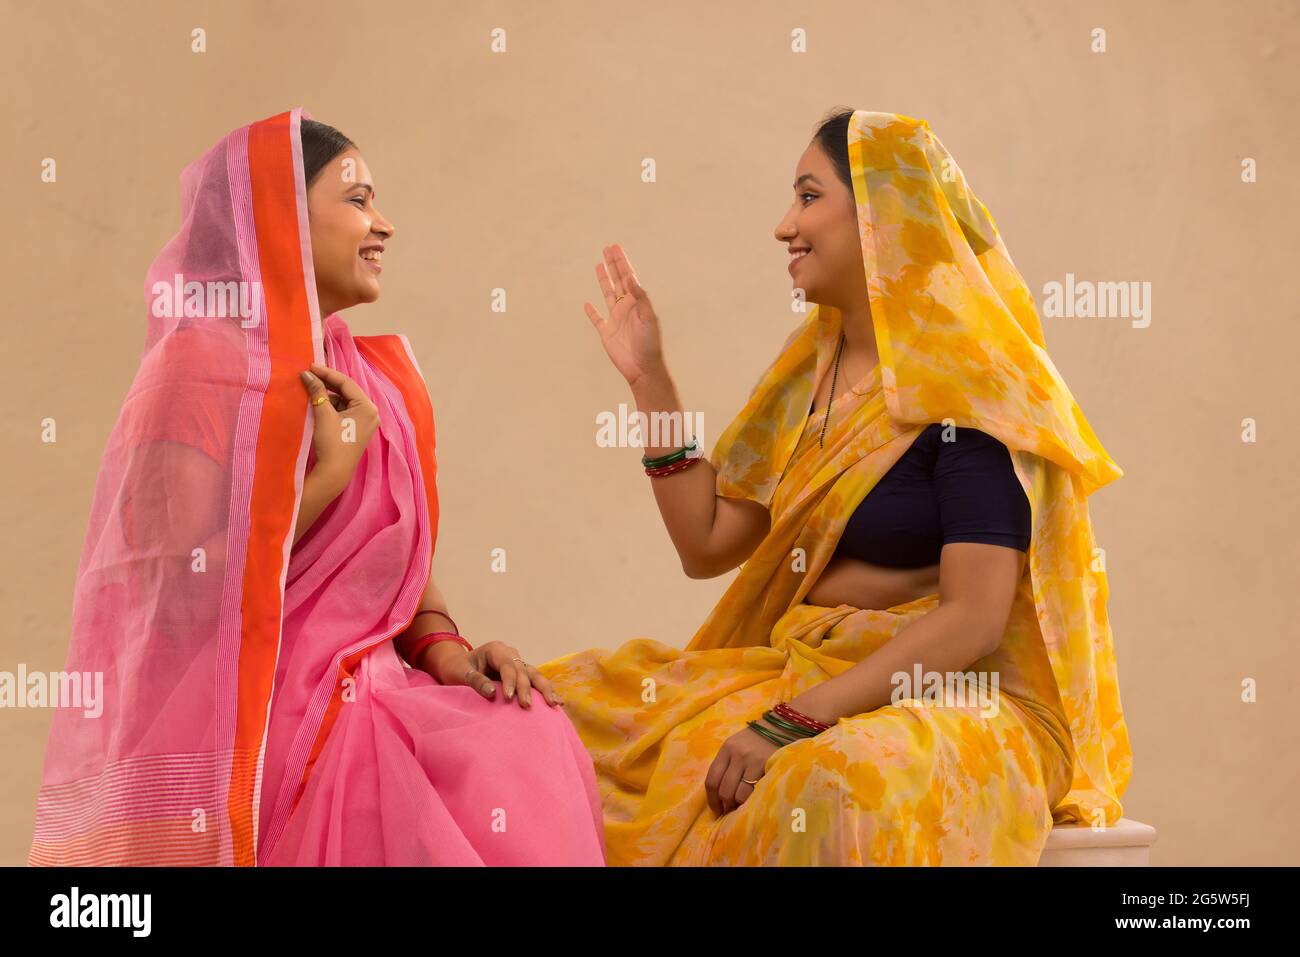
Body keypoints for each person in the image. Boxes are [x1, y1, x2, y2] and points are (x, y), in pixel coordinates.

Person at [538, 108, 1133, 865]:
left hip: (961, 701)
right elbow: (707, 540)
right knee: (565, 707)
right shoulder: (808, 377)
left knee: (826, 781)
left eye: (809, 196)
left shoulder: (967, 392)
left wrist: (795, 719)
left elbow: (976, 619)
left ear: (882, 213)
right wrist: (649, 378)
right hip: (805, 675)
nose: (785, 225)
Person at [29, 109, 606, 866]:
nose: (385, 225)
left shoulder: (377, 377)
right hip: (251, 715)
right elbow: (173, 595)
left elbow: (398, 571)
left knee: (523, 735)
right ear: (280, 215)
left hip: (369, 683)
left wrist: (450, 653)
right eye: (359, 199)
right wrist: (329, 474)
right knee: (417, 788)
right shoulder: (197, 367)